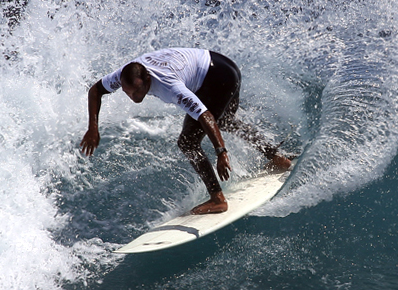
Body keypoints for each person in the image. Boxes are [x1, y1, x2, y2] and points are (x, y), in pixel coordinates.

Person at [79, 47, 293, 214]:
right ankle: (276, 157)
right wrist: (92, 129)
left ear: (148, 80)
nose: (132, 97)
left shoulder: (169, 86)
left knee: (188, 141)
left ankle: (218, 199)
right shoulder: (125, 75)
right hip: (222, 64)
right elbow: (96, 90)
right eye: (127, 92)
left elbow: (205, 115)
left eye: (137, 91)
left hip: (219, 77)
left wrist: (221, 152)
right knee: (225, 121)